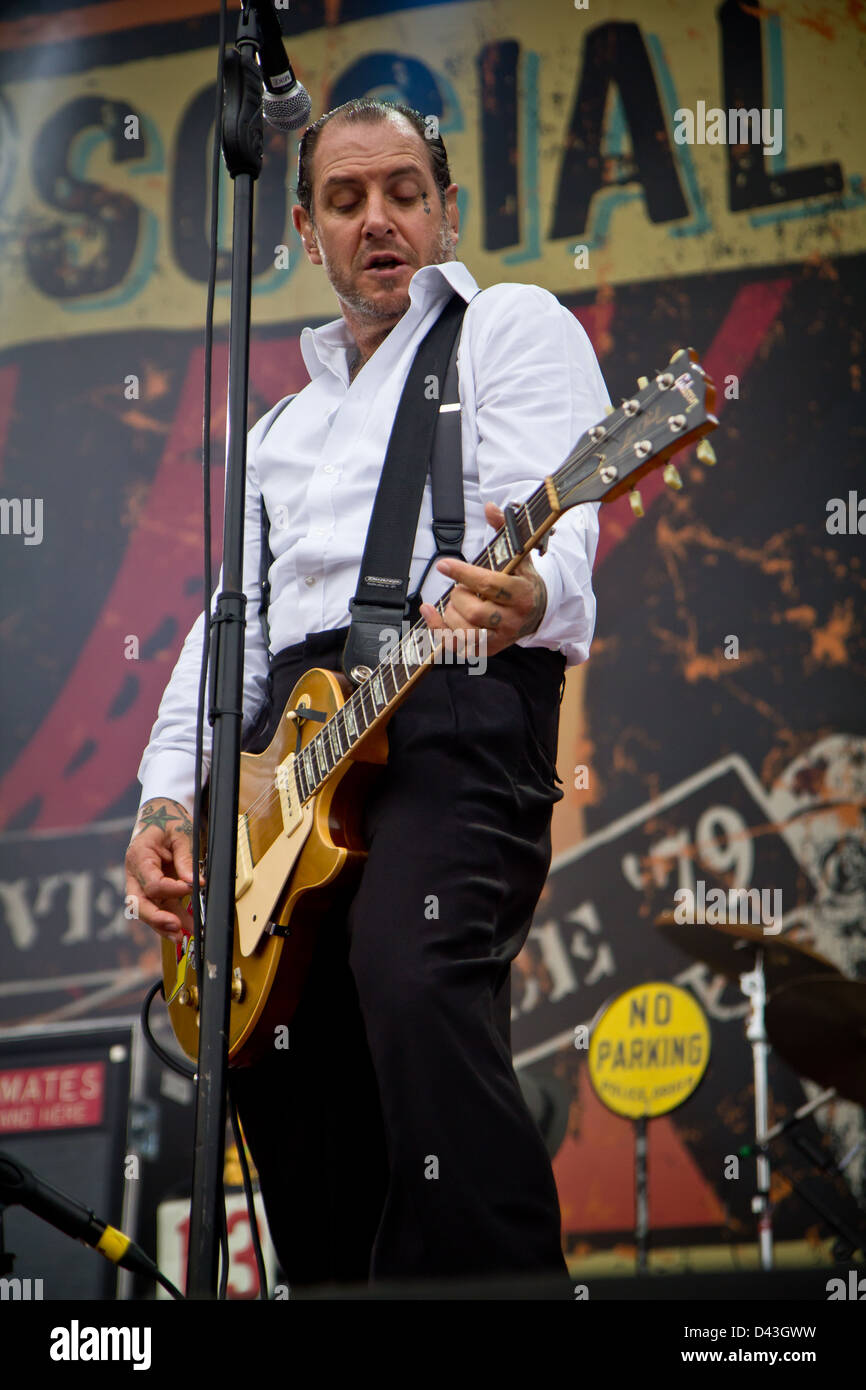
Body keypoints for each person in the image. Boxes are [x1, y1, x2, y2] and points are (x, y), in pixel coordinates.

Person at [126, 98, 609, 1294]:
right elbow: (223, 638)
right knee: (285, 1062)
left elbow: (564, 513)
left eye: (403, 190)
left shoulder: (507, 325)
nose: (377, 218)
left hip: (450, 706)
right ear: (304, 227)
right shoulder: (282, 427)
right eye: (345, 200)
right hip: (291, 760)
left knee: (409, 972)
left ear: (442, 210)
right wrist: (163, 807)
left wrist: (524, 586)